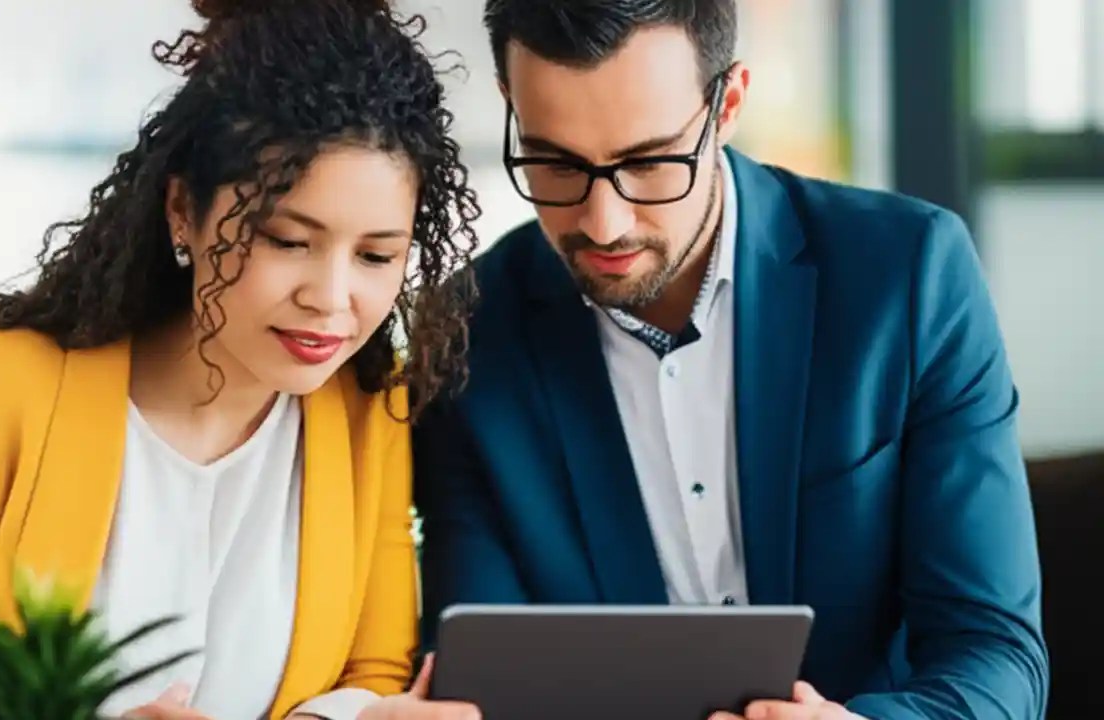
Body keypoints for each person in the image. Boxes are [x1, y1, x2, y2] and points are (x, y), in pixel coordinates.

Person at [0, 1, 483, 719]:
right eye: (286, 240)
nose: (332, 300)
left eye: (376, 255)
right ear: (184, 209)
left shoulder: (366, 407)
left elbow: (371, 672)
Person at [412, 1, 1049, 718]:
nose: (603, 222)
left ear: (729, 103)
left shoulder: (909, 275)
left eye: (649, 161)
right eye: (555, 162)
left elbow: (997, 656)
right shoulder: (468, 330)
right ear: (511, 106)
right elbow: (484, 680)